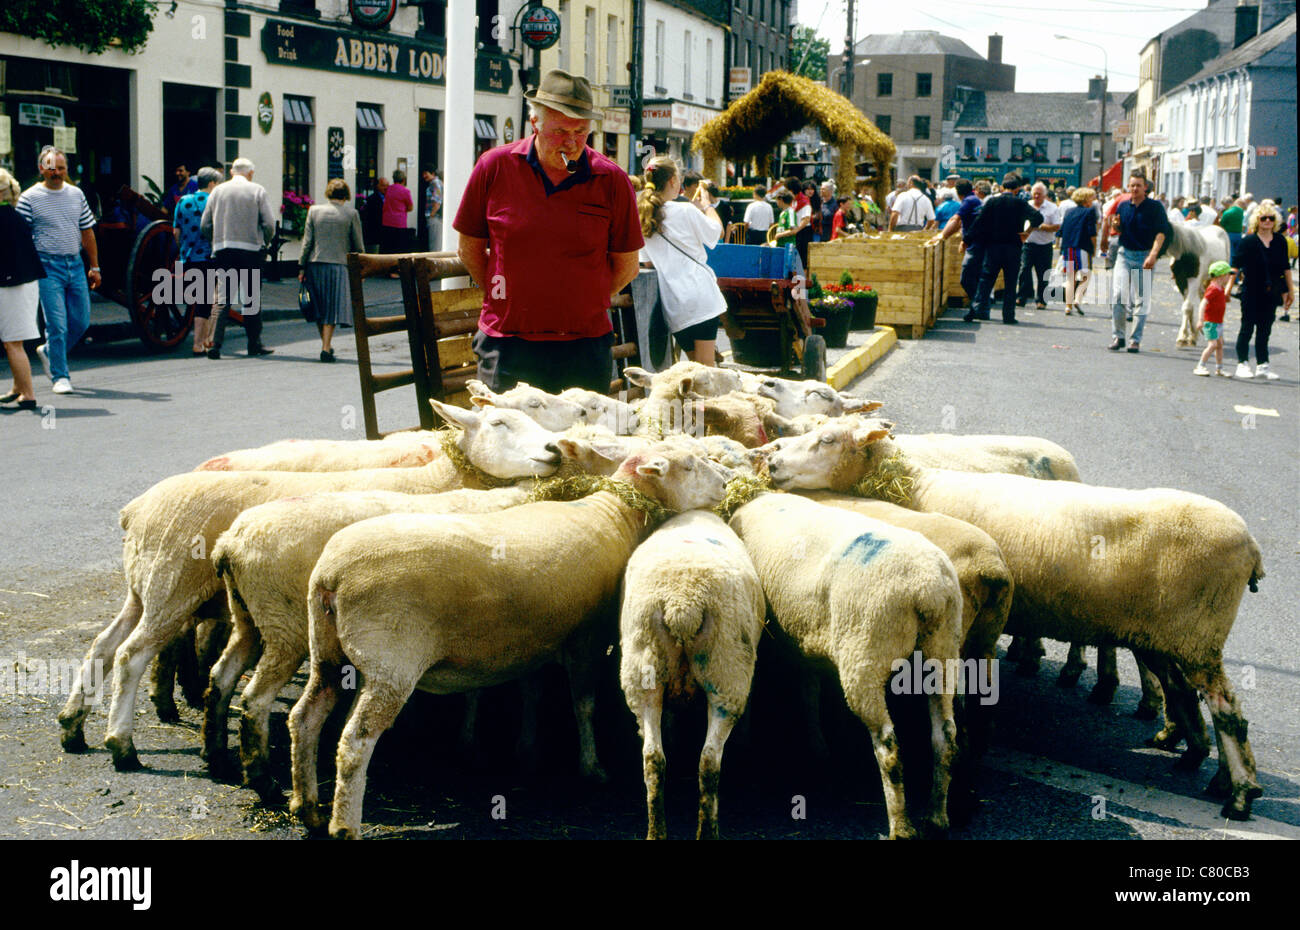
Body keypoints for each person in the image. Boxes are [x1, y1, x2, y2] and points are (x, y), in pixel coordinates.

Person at [453, 68, 643, 394]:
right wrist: (509, 298)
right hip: (507, 341)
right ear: (535, 123)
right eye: (560, 131)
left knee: (579, 443)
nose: (571, 142)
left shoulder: (611, 180)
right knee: (506, 442)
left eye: (581, 132)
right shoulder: (494, 167)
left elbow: (627, 266)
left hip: (583, 344)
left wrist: (581, 299)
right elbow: (468, 249)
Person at [15, 147, 99, 394]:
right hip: (46, 266)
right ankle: (60, 376)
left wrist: (95, 266)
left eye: (61, 168)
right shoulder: (29, 198)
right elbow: (22, 238)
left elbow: (87, 232)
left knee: (81, 322)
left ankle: (50, 351)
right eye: (52, 168)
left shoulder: (76, 194)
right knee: (57, 324)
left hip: (75, 264)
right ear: (42, 169)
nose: (57, 173)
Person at [637, 156, 726, 365]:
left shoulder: (643, 217)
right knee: (706, 371)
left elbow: (648, 263)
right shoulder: (685, 210)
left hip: (675, 304)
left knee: (694, 369)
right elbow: (717, 232)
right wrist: (706, 206)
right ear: (672, 181)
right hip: (700, 298)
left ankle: (694, 400)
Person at [200, 156, 277, 358]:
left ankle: (214, 344)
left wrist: (216, 241)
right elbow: (269, 224)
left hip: (224, 248)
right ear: (250, 173)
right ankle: (254, 343)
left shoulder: (217, 191)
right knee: (250, 298)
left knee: (222, 297)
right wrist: (265, 243)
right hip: (251, 249)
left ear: (232, 172)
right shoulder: (257, 190)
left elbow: (205, 224)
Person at [300, 178, 365, 363]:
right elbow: (358, 244)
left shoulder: (314, 211)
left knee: (319, 307)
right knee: (331, 308)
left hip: (315, 263)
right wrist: (362, 268)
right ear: (346, 194)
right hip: (339, 265)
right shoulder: (351, 214)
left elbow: (307, 242)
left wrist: (301, 266)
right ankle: (326, 348)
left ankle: (325, 345)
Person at [965, 172, 1042, 325]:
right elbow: (1038, 218)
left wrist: (967, 240)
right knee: (1011, 282)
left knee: (986, 281)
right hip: (1013, 247)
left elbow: (979, 222)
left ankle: (975, 311)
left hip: (993, 247)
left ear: (1002, 187)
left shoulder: (992, 202)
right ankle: (1008, 315)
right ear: (1017, 189)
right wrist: (1026, 233)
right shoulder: (1020, 203)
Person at [1106, 171, 1171, 353]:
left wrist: (1153, 255)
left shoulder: (1155, 207)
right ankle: (1118, 336)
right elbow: (1119, 229)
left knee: (1141, 300)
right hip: (1125, 254)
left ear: (1145, 188)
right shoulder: (1123, 205)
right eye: (1132, 185)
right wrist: (1116, 226)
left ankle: (1135, 339)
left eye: (1138, 185)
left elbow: (1161, 233)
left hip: (1145, 256)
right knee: (1118, 295)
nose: (1135, 188)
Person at [1230, 203, 1294, 380]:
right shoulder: (1248, 241)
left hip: (1272, 291)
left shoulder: (1280, 241)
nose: (1267, 221)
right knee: (1247, 327)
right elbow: (1235, 266)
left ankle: (1262, 365)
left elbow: (1285, 268)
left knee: (1265, 329)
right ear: (1256, 221)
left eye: (1271, 218)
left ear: (1276, 221)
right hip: (1251, 289)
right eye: (1263, 218)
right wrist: (1226, 289)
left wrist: (1291, 290)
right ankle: (1242, 363)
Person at [0, 167, 45, 412]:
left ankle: (27, 394)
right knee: (14, 341)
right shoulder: (13, 215)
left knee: (12, 343)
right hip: (23, 283)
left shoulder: (4, 218)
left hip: (12, 286)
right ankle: (18, 388)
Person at [172, 166, 222, 355]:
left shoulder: (183, 201)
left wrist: (184, 249)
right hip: (209, 256)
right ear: (211, 184)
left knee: (199, 299)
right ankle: (200, 343)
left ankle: (204, 340)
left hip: (189, 257)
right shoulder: (214, 201)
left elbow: (176, 231)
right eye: (217, 183)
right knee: (208, 301)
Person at [1016, 182, 1061, 310]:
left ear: (1045, 195)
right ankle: (1021, 297)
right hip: (1028, 244)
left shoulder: (1052, 208)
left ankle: (1041, 300)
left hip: (1045, 245)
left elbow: (1056, 227)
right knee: (1024, 270)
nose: (1036, 196)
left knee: (1043, 274)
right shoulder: (1027, 205)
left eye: (1039, 194)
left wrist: (1040, 226)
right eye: (1034, 193)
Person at [1058, 187, 1097, 316]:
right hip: (1082, 247)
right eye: (1091, 197)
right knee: (1086, 275)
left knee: (1070, 277)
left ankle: (1068, 306)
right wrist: (1094, 248)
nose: (1093, 200)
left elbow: (1061, 231)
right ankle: (1077, 298)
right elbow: (1092, 233)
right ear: (1086, 199)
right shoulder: (1089, 211)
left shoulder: (1069, 211)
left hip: (1068, 248)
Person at [1193, 261, 1234, 377]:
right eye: (1227, 275)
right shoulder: (1213, 289)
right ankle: (1200, 366)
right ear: (1221, 275)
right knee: (1213, 345)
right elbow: (1203, 303)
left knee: (1219, 345)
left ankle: (1219, 368)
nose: (1229, 278)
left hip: (1218, 322)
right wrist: (1200, 320)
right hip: (1210, 323)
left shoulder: (1220, 288)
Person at [381, 168, 414, 254]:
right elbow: (410, 207)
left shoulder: (388, 189)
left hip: (387, 222)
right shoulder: (405, 191)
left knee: (388, 249)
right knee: (399, 250)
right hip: (399, 223)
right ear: (404, 180)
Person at [360, 176, 388, 253]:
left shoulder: (390, 198)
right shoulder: (371, 199)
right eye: (383, 185)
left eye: (387, 186)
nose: (385, 188)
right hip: (374, 234)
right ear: (377, 186)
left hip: (386, 233)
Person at [422, 167, 443, 251]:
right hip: (434, 217)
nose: (424, 176)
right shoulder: (434, 183)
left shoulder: (435, 183)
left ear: (433, 173)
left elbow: (437, 201)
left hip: (435, 217)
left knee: (435, 245)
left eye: (426, 173)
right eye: (423, 174)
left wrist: (431, 215)